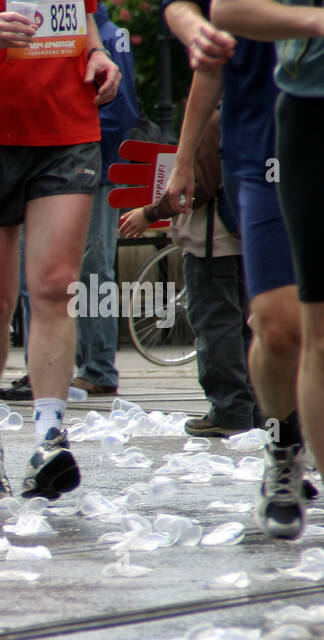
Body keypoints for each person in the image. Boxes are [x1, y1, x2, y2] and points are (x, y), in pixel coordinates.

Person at [0, 2, 121, 500]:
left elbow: (82, 18)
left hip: (66, 130)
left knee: (57, 286)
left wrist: (99, 53)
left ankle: (49, 437)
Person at [166, 0, 307, 538]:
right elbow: (201, 25)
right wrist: (184, 158)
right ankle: (282, 443)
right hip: (261, 151)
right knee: (275, 325)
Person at [120, 103, 256, 437]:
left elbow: (196, 186)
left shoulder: (215, 118)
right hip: (250, 237)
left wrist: (149, 213)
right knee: (248, 326)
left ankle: (229, 410)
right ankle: (259, 407)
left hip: (213, 240)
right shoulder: (260, 110)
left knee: (216, 325)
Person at [71, 4, 140, 398]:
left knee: (94, 267)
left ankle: (98, 367)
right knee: (86, 267)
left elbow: (121, 110)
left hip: (96, 162)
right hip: (90, 160)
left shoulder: (109, 36)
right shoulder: (104, 33)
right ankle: (91, 364)